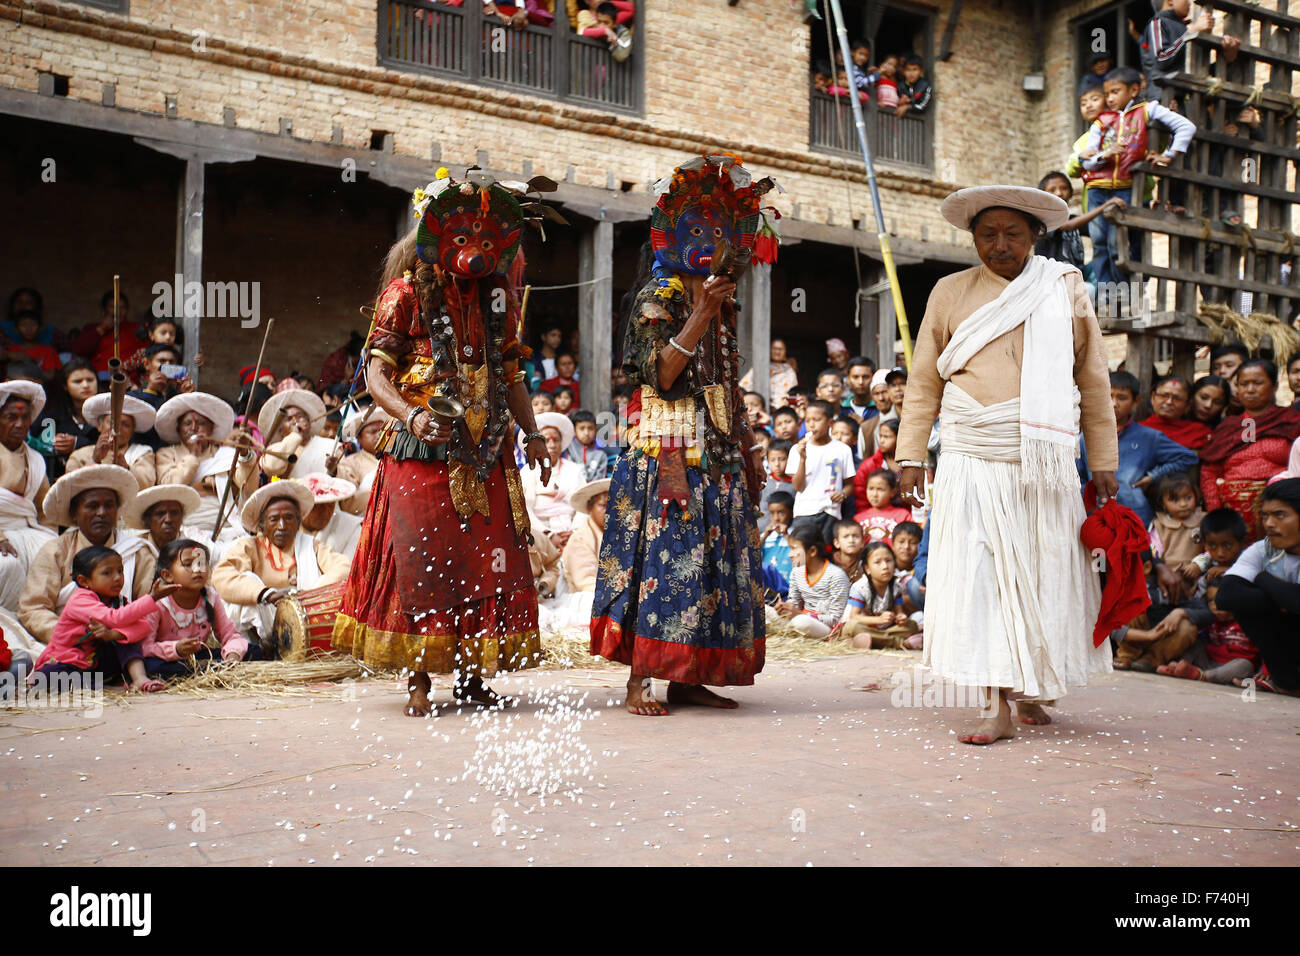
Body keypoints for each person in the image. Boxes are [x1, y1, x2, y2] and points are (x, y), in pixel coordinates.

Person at [897, 185, 1119, 744]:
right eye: (987, 235)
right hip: (972, 456)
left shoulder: (1063, 287)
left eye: (1012, 235)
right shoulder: (949, 292)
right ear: (972, 238)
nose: (999, 245)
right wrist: (910, 454)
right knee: (984, 579)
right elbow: (924, 379)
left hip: (1044, 464)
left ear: (1035, 237)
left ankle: (1034, 687)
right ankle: (996, 704)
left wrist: (1104, 458)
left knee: (1044, 573)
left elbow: (1092, 379)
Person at [333, 170, 550, 716]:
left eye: (485, 242)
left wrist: (534, 433)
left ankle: (473, 678)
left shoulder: (498, 296)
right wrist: (410, 415)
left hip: (489, 445)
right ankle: (418, 680)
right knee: (422, 560)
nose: (475, 253)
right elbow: (375, 377)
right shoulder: (404, 292)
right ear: (436, 235)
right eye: (461, 240)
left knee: (484, 561)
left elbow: (512, 374)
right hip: (422, 448)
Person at [590, 155, 773, 716]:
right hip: (666, 450)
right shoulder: (658, 296)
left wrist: (747, 449)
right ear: (672, 235)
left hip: (715, 452)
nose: (710, 242)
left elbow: (724, 380)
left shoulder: (724, 301)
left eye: (719, 231)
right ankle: (639, 681)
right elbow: (663, 374)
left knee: (711, 563)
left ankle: (689, 676)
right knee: (664, 559)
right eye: (696, 229)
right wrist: (701, 313)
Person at [1081, 67, 1196, 298]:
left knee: (1118, 243)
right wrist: (1104, 154)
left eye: (1115, 92)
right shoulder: (1102, 121)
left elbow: (1186, 126)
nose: (1110, 98)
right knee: (1100, 244)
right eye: (1107, 93)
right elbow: (1086, 162)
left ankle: (1126, 294)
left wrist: (1170, 154)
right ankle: (1107, 295)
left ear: (1134, 90)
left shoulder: (1147, 110)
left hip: (1126, 188)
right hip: (1096, 190)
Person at [19, 465, 155, 648]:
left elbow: (148, 606)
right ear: (75, 514)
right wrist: (75, 637)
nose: (101, 513)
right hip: (67, 643)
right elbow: (33, 608)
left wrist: (117, 635)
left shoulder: (137, 552)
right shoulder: (55, 550)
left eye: (109, 505)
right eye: (92, 506)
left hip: (123, 642)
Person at [212, 481, 350, 646]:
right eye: (274, 519)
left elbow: (343, 568)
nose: (282, 526)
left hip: (307, 620)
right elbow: (222, 576)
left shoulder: (310, 545)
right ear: (262, 525)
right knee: (246, 580)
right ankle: (263, 647)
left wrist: (307, 596)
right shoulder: (249, 546)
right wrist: (265, 594)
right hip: (263, 623)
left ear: (298, 522)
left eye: (289, 518)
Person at [30, 544, 175, 694]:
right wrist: (152, 597)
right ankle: (107, 687)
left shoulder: (119, 602)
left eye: (120, 571)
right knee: (49, 677)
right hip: (69, 662)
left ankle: (139, 678)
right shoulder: (80, 600)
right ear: (84, 581)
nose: (118, 578)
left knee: (126, 639)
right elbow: (114, 619)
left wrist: (113, 635)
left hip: (97, 663)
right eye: (107, 573)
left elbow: (144, 626)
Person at [1214, 479, 1300, 694]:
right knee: (1249, 607)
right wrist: (1284, 600)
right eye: (1265, 515)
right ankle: (1288, 682)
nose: (1269, 523)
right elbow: (1226, 595)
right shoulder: (1264, 549)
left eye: (1280, 515)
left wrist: (1261, 579)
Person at [1081, 370, 1197, 526]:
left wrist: (1153, 476)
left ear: (1136, 401)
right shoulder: (1086, 436)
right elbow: (1077, 476)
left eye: (1122, 398)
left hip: (1136, 517)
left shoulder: (1149, 436)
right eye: (1108, 396)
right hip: (1096, 516)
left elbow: (1188, 457)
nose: (1114, 403)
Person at [1200, 360, 1300, 538]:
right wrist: (1217, 514)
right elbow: (1209, 472)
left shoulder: (1291, 421)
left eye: (1258, 383)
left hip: (1282, 513)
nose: (1250, 390)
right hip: (1233, 520)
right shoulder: (1229, 427)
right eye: (1244, 384)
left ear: (1275, 386)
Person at [140, 538, 254, 679]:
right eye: (188, 564)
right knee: (152, 666)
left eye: (202, 563)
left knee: (253, 650)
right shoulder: (158, 603)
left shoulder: (210, 597)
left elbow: (230, 635)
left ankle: (210, 668)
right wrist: (175, 649)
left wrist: (233, 655)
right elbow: (145, 647)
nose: (197, 569)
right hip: (168, 659)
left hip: (198, 657)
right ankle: (207, 669)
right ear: (167, 575)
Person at [154, 392, 257, 542]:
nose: (194, 428)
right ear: (178, 429)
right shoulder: (167, 454)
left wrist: (244, 454)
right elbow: (169, 489)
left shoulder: (224, 454)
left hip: (225, 529)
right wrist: (193, 459)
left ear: (211, 429)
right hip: (182, 529)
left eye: (201, 423)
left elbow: (246, 486)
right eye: (187, 423)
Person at [0, 381, 55, 611]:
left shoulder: (35, 459)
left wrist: (53, 538)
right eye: (11, 417)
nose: (19, 424)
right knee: (7, 566)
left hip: (29, 530)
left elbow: (45, 509)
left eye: (25, 418)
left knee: (56, 555)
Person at [1141, 0, 1238, 105]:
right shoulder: (1157, 22)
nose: (1189, 2)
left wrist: (1228, 58)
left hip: (1191, 98)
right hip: (1165, 99)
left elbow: (1200, 71)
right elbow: (1162, 59)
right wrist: (1191, 33)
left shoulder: (1184, 28)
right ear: (1170, 1)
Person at [787, 399, 855, 544]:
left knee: (825, 552)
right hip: (804, 511)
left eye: (817, 420)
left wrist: (842, 494)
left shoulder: (842, 449)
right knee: (803, 552)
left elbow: (849, 484)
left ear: (830, 423)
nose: (811, 424)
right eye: (808, 420)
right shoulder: (796, 449)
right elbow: (798, 487)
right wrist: (802, 459)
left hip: (831, 511)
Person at [1035, 171, 1125, 277]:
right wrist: (1104, 206)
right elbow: (1067, 226)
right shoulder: (1044, 220)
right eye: (1052, 190)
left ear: (1071, 192)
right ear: (1043, 196)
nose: (1059, 193)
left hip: (1077, 273)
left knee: (1106, 259)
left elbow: (1098, 230)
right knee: (1089, 289)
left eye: (1064, 188)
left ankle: (1117, 288)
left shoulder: (1073, 219)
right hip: (1055, 277)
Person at [772, 521, 849, 639]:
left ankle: (789, 631)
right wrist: (785, 608)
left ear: (812, 551)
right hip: (798, 619)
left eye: (794, 549)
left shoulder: (836, 575)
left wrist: (802, 614)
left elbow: (835, 618)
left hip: (824, 628)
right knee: (763, 612)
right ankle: (787, 631)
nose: (790, 555)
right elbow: (794, 602)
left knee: (801, 623)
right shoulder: (796, 572)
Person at [64, 393, 157, 490]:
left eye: (126, 425)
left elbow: (148, 484)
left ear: (133, 431)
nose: (117, 429)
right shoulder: (80, 455)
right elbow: (71, 486)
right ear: (99, 425)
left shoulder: (142, 453)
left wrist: (126, 469)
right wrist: (95, 460)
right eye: (112, 422)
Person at [520, 411, 586, 540]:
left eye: (556, 440)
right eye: (546, 441)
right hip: (539, 532)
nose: (552, 445)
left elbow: (582, 504)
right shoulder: (528, 471)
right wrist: (548, 534)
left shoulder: (573, 469)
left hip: (572, 532)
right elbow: (525, 509)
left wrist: (574, 532)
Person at [840, 541, 916, 649]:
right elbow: (854, 616)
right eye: (878, 562)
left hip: (883, 629)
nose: (885, 566)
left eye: (888, 561)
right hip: (862, 626)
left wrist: (901, 618)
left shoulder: (896, 586)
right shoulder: (860, 588)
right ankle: (899, 643)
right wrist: (879, 620)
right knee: (852, 626)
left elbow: (900, 612)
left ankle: (870, 641)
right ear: (867, 569)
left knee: (912, 625)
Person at [38, 359, 100, 483]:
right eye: (78, 381)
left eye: (90, 380)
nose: (85, 385)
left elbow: (117, 444)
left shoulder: (108, 413)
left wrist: (77, 443)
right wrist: (56, 444)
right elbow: (43, 447)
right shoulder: (52, 418)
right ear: (65, 386)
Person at [257, 387, 335, 481]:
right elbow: (273, 467)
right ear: (281, 430)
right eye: (288, 419)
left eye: (299, 417)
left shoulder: (330, 445)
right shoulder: (272, 450)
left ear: (309, 422)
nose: (295, 421)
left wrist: (334, 471)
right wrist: (296, 436)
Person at [120, 483, 206, 559]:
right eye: (160, 514)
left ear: (181, 518)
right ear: (148, 520)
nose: (168, 520)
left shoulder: (194, 549)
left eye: (174, 513)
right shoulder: (134, 550)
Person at [1065, 83, 1111, 212]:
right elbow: (1071, 170)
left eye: (1095, 99)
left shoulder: (1121, 128)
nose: (1088, 106)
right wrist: (1080, 158)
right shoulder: (1083, 140)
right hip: (1094, 202)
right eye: (1083, 103)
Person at [1148, 471, 1204, 569]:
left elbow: (1213, 548)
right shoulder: (1159, 525)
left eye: (1188, 498)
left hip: (1198, 573)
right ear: (1163, 504)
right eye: (1175, 500)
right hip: (1168, 574)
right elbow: (1154, 549)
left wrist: (1199, 565)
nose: (1183, 504)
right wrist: (1162, 569)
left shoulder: (1203, 520)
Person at [300, 472, 362, 559]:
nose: (325, 511)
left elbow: (347, 568)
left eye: (330, 504)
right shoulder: (288, 528)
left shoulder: (351, 528)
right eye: (318, 506)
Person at [561, 479, 608, 594]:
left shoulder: (619, 532)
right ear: (589, 508)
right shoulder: (580, 540)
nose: (609, 511)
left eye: (614, 505)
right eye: (603, 505)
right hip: (589, 600)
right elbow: (585, 582)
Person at [1141, 374, 1211, 450]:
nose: (1169, 402)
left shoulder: (1199, 433)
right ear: (1153, 397)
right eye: (1164, 395)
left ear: (1187, 405)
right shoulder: (1138, 430)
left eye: (1177, 398)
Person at [740, 337, 799, 411]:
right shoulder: (760, 367)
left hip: (782, 409)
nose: (777, 352)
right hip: (759, 408)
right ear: (769, 350)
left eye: (780, 349)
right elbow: (744, 387)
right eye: (774, 348)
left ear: (785, 352)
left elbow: (793, 393)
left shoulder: (789, 371)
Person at [853, 468, 911, 543]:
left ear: (893, 492)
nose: (874, 494)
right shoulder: (858, 519)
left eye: (880, 489)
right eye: (871, 489)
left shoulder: (903, 516)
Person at [3, 311, 62, 377]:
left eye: (33, 324)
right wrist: (7, 354)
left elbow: (50, 375)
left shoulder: (48, 351)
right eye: (23, 325)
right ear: (16, 329)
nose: (28, 329)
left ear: (40, 328)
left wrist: (28, 363)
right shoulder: (10, 350)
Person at [762, 491, 794, 587]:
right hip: (769, 589)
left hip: (789, 588)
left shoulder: (795, 535)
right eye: (772, 513)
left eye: (781, 513)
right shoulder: (765, 537)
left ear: (791, 513)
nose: (776, 518)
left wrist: (786, 535)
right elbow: (752, 555)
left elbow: (799, 555)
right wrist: (764, 536)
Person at [566, 409, 608, 481]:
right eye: (582, 428)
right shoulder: (568, 449)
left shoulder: (601, 455)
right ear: (574, 431)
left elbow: (599, 481)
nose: (586, 433)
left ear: (596, 430)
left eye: (590, 428)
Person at [830, 517, 865, 585]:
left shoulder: (866, 563)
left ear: (862, 542)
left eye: (855, 536)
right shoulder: (829, 562)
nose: (851, 540)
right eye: (846, 537)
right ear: (836, 543)